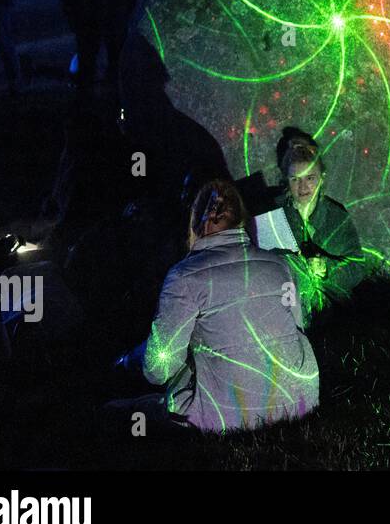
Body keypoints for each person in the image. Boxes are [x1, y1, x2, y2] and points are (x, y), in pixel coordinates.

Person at [118, 179, 319, 432]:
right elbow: (297, 328)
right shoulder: (279, 265)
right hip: (299, 403)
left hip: (228, 418)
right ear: (242, 218)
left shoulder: (184, 277)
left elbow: (159, 369)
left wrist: (130, 361)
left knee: (123, 411)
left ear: (194, 219)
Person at [279, 142, 370, 322]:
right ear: (286, 180)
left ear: (322, 178)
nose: (303, 187)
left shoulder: (336, 216)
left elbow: (357, 267)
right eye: (295, 179)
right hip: (287, 313)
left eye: (310, 178)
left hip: (331, 316)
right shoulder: (276, 214)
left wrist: (327, 267)